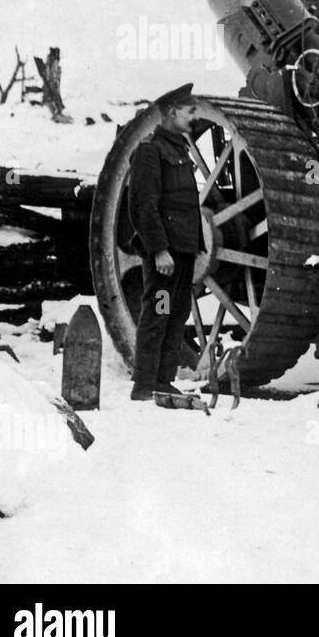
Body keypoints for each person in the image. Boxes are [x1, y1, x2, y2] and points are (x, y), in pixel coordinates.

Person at [128, 84, 205, 402]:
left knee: (177, 314)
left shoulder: (179, 151)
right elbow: (143, 205)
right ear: (172, 112)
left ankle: (163, 379)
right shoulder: (151, 151)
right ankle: (144, 383)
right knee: (157, 312)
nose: (194, 117)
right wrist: (159, 249)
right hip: (165, 253)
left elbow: (186, 207)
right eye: (189, 111)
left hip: (182, 252)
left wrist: (194, 249)